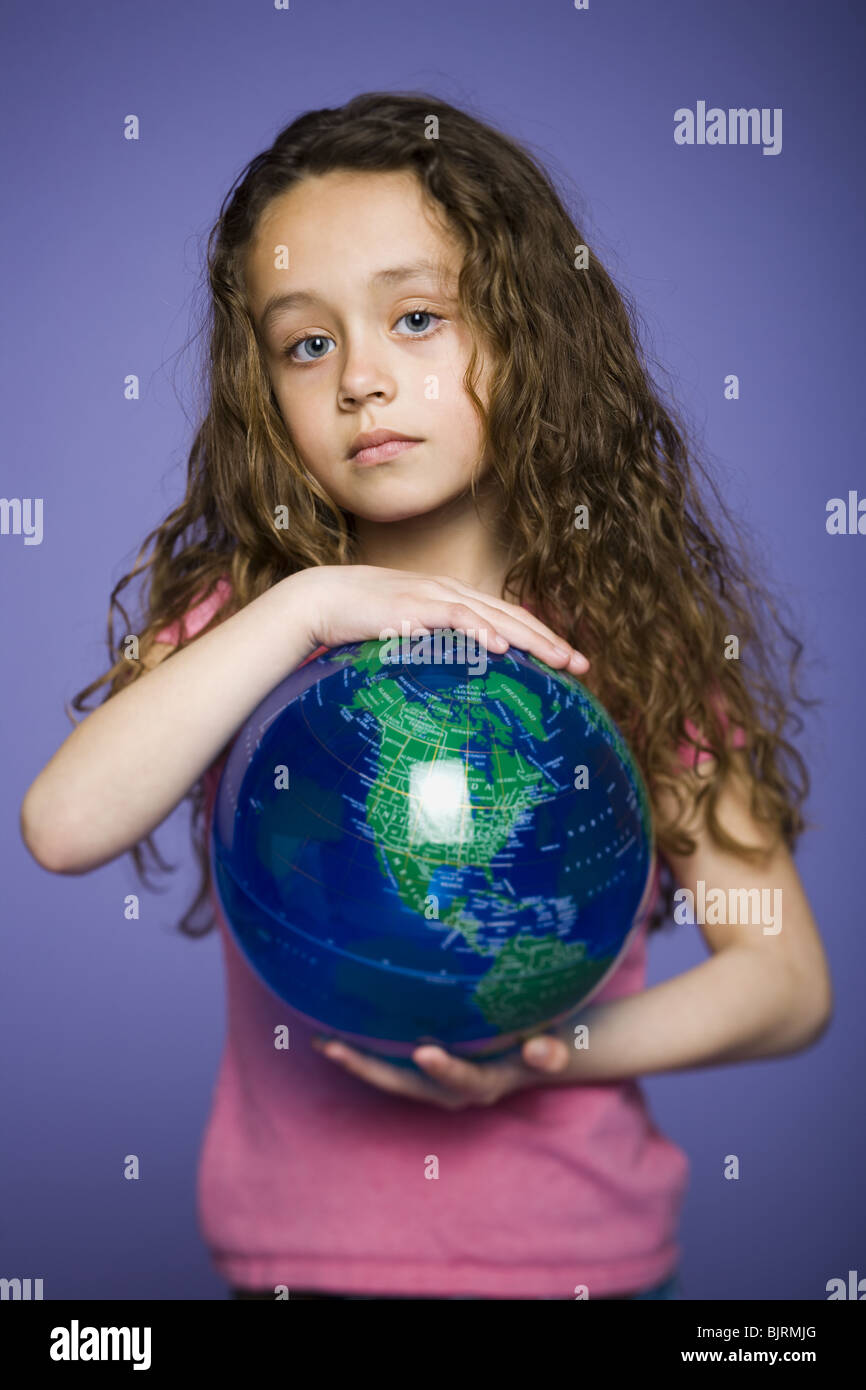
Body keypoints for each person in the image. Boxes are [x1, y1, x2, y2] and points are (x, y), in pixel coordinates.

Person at [20, 92, 832, 1302]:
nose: (360, 380)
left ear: (525, 336)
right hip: (296, 1265)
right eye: (306, 343)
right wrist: (304, 610)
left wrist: (543, 1058)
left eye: (414, 318)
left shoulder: (624, 645)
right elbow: (62, 825)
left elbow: (783, 982)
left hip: (581, 1264)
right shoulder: (248, 625)